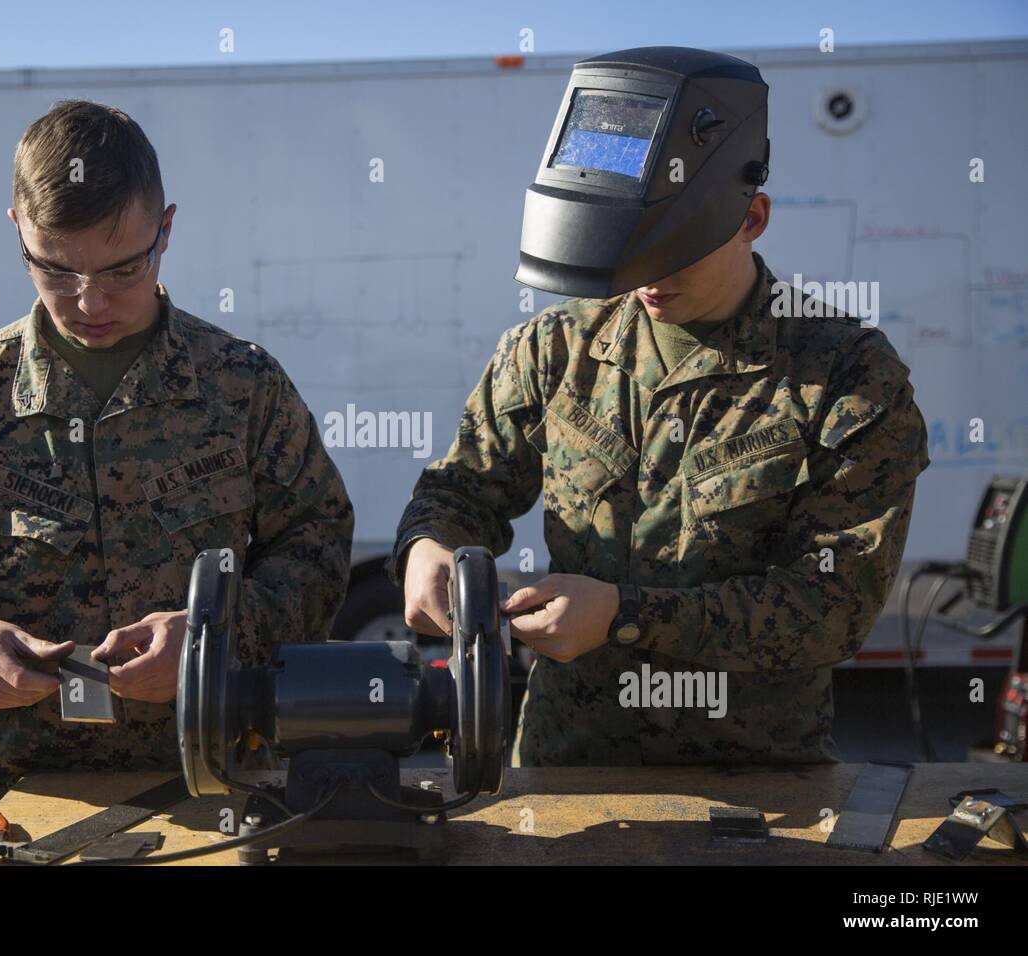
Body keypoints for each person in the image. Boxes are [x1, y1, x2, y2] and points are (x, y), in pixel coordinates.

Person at [0, 100, 353, 838]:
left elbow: (317, 549)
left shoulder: (243, 388)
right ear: (16, 230)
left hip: (220, 800)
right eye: (55, 268)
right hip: (17, 813)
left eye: (122, 267)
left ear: (166, 229)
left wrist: (215, 638)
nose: (90, 300)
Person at [394, 48, 928, 768]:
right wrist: (430, 547)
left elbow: (831, 607)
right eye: (632, 248)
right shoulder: (554, 350)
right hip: (568, 768)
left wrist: (625, 617)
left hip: (762, 782)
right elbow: (462, 488)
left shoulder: (848, 376)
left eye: (675, 246)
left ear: (752, 218)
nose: (649, 275)